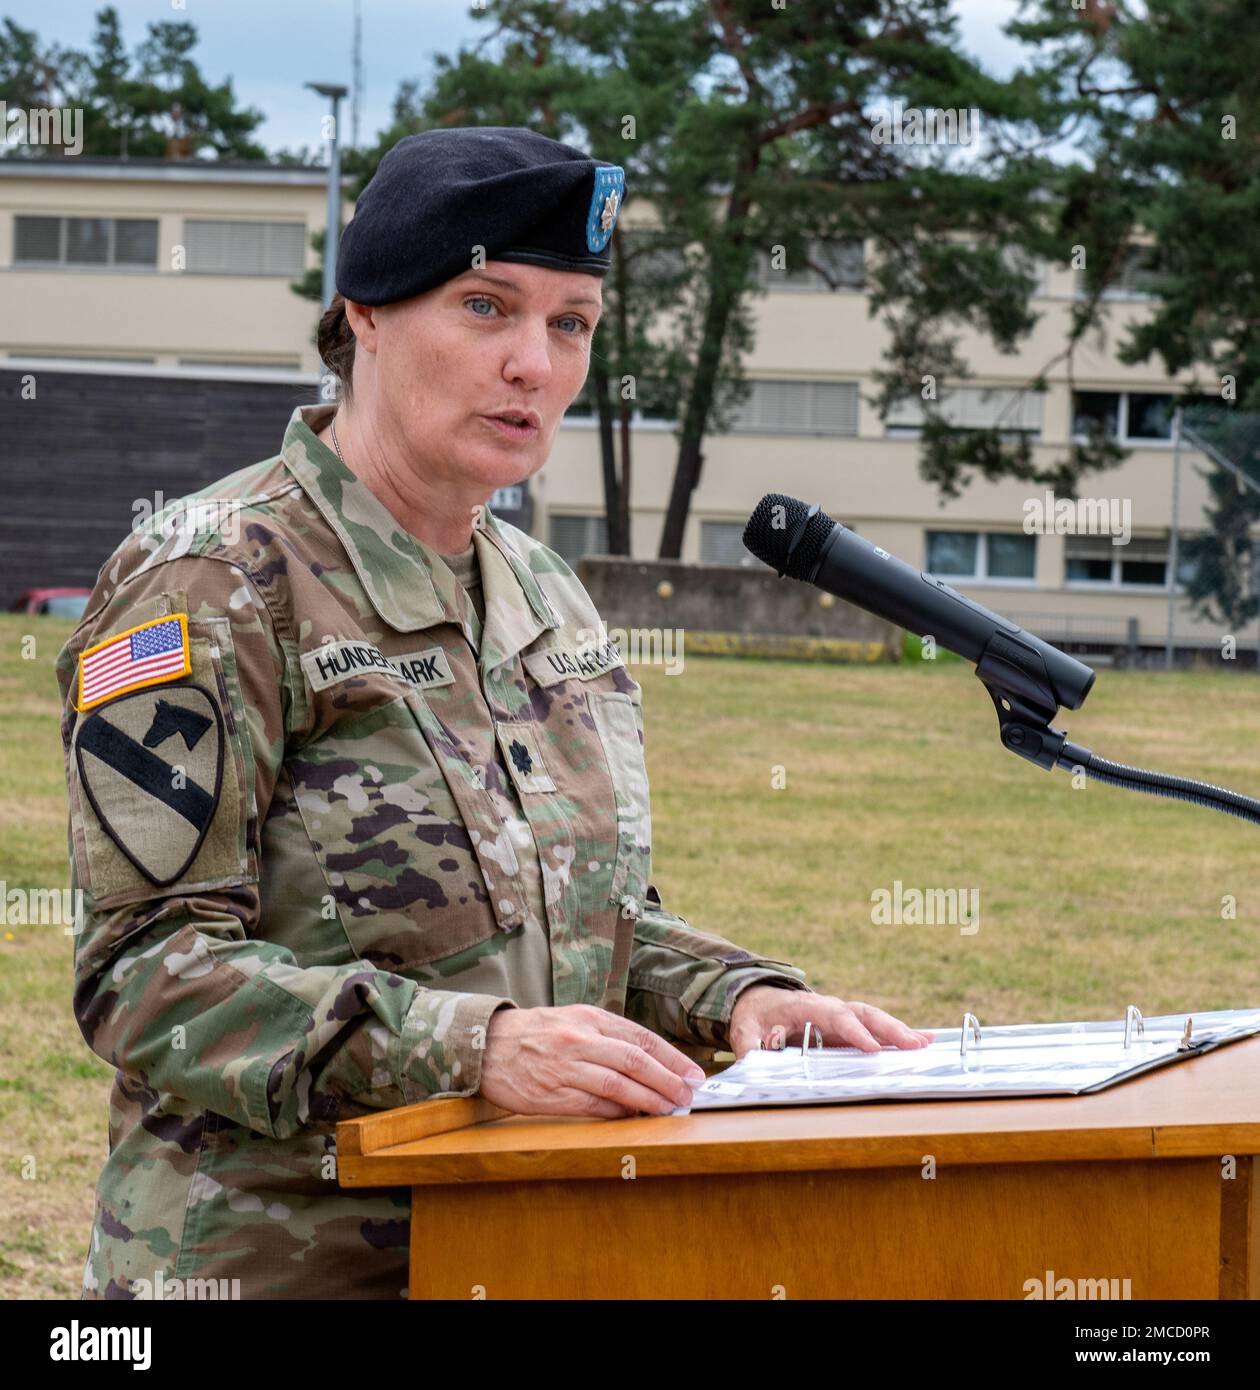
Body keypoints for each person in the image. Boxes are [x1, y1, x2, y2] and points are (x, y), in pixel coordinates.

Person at [56, 126, 932, 1300]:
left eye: (571, 322)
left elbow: (578, 922)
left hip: (523, 1254)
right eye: (487, 307)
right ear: (363, 313)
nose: (537, 362)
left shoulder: (542, 591)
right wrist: (478, 1046)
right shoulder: (210, 579)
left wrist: (741, 995)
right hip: (274, 1268)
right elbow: (145, 974)